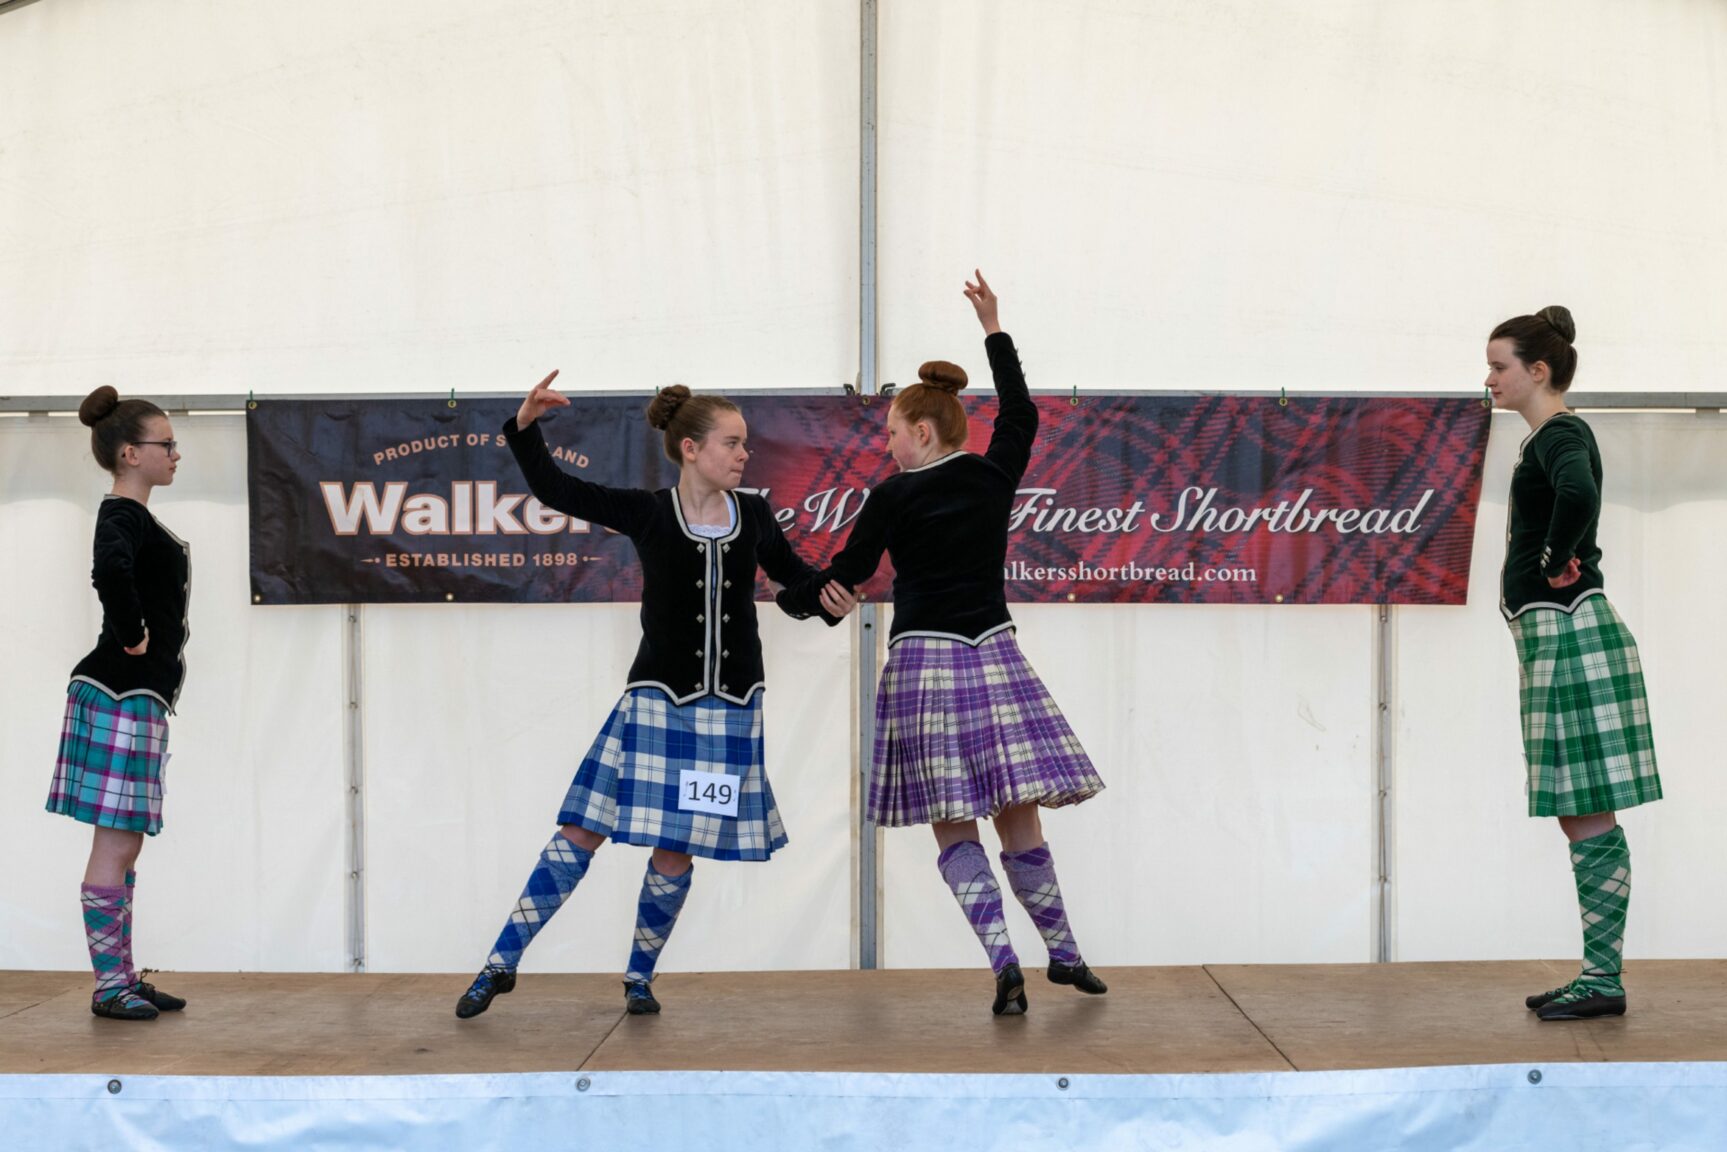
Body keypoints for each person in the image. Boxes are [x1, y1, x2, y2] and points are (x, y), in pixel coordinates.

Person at [455, 374, 857, 1018]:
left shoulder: (753, 514)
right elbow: (558, 489)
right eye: (733, 443)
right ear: (692, 449)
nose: (744, 454)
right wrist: (525, 429)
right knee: (581, 830)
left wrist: (828, 599)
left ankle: (639, 978)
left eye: (745, 445)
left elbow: (794, 582)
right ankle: (500, 963)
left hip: (729, 710)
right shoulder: (648, 511)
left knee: (679, 845)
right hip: (654, 703)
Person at [781, 273, 1106, 1015]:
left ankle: (1004, 967)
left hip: (925, 663)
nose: (886, 441)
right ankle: (1063, 953)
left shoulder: (892, 496)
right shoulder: (993, 478)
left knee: (953, 817)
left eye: (892, 430)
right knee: (1017, 810)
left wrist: (799, 596)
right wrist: (993, 327)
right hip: (993, 653)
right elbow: (1020, 412)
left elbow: (845, 581)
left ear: (922, 431)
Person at [1486, 306, 1661, 1021]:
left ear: (1537, 370)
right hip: (1557, 635)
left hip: (1569, 633)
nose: (1488, 379)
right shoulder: (1547, 439)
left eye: (1499, 366)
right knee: (1579, 811)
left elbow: (1579, 494)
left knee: (1585, 809)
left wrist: (1557, 557)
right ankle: (1598, 975)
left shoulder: (1561, 432)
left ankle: (1601, 979)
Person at [48, 386, 192, 1021]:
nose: (176, 453)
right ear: (131, 453)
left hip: (132, 696)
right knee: (116, 843)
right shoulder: (121, 514)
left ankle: (123, 978)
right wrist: (132, 632)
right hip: (118, 692)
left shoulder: (131, 515)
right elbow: (110, 570)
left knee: (125, 843)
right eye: (166, 444)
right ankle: (111, 986)